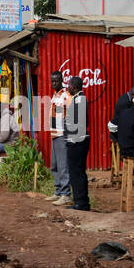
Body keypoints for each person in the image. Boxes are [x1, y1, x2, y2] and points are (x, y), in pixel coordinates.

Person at [64, 75, 91, 211]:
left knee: (77, 172)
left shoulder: (79, 100)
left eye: (69, 85)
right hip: (77, 140)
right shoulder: (79, 99)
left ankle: (81, 203)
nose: (67, 87)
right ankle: (80, 201)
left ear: (73, 87)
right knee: (78, 172)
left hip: (77, 141)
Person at [48, 71, 71, 206]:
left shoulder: (65, 96)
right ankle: (58, 191)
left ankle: (66, 194)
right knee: (55, 164)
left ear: (62, 80)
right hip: (54, 134)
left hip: (62, 134)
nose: (54, 83)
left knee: (63, 166)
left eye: (56, 81)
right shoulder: (54, 96)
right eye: (52, 81)